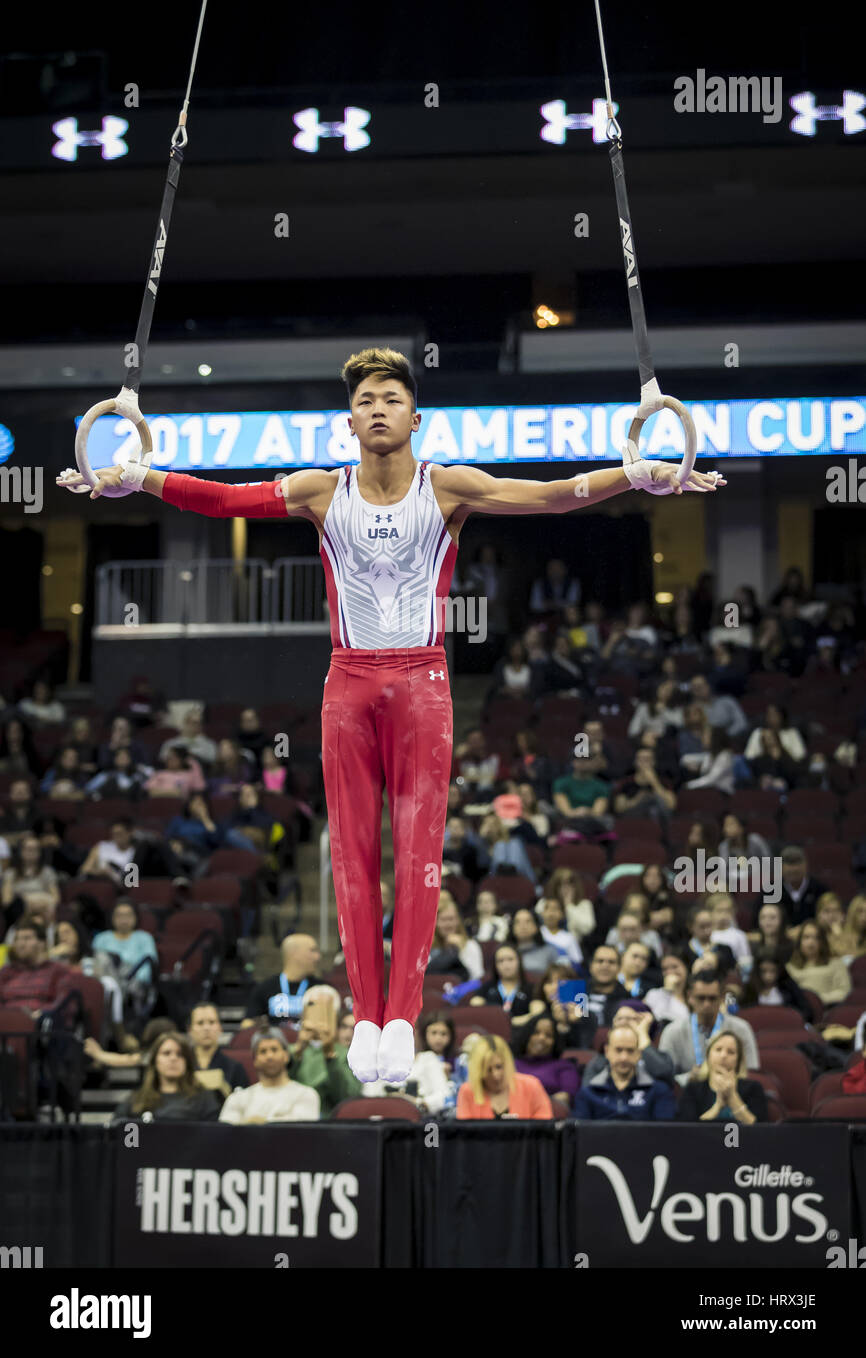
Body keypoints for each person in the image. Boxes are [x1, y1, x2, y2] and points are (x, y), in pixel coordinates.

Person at [59, 345, 724, 1087]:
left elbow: (551, 495)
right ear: (350, 421)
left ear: (416, 416)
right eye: (366, 400)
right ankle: (365, 1013)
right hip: (348, 683)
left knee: (416, 852)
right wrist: (136, 477)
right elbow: (224, 499)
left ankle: (401, 1014)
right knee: (351, 852)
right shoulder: (319, 491)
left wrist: (637, 474)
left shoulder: (449, 488)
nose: (377, 409)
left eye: (390, 398)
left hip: (422, 682)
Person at [658, 970, 760, 1086]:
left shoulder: (741, 1029)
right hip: (689, 1095)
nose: (707, 1004)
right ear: (689, 996)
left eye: (712, 998)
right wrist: (688, 1078)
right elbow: (664, 1078)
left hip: (733, 1091)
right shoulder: (673, 1031)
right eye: (701, 998)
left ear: (722, 997)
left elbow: (752, 1073)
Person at [571, 1024, 676, 1120]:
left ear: (639, 1054)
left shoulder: (659, 1092)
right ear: (607, 1051)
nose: (624, 1057)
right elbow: (581, 1136)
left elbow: (665, 1136)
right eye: (618, 1050)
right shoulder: (588, 1093)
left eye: (630, 1051)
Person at [112, 1032, 222, 1122]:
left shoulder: (204, 1099)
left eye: (179, 1054)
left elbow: (212, 1139)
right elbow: (124, 1140)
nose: (173, 1058)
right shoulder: (136, 1100)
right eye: (166, 1053)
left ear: (187, 1062)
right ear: (155, 1061)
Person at [219, 1028, 321, 1123]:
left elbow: (301, 1135)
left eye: (274, 1049)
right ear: (255, 1060)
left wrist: (255, 1123)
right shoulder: (238, 1098)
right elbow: (225, 1134)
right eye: (263, 1051)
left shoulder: (306, 1094)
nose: (269, 1056)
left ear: (286, 1056)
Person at [288, 993, 360, 1116]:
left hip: (328, 1118)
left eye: (325, 1009)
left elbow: (348, 1097)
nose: (318, 1016)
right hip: (291, 1114)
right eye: (312, 1007)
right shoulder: (290, 1051)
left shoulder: (344, 1054)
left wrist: (329, 1055)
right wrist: (298, 1052)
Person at [675, 1030, 768, 1123]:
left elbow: (760, 1129)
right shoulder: (693, 1089)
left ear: (738, 1060)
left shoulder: (754, 1088)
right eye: (718, 1049)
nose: (723, 1056)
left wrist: (732, 1097)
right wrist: (718, 1106)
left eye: (731, 1052)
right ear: (708, 1056)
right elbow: (688, 1130)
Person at [579, 999, 676, 1088]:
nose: (623, 1023)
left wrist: (642, 1035)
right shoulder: (601, 1060)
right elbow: (587, 1093)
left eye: (631, 1019)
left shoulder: (659, 1056)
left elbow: (664, 1073)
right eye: (619, 1019)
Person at [456, 1033, 554, 1119]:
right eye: (488, 1070)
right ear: (478, 1070)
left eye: (499, 1067)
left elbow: (545, 1132)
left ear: (508, 1063)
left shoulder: (532, 1086)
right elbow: (464, 1137)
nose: (495, 1075)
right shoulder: (467, 1091)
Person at [241, 933, 326, 1028]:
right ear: (294, 953)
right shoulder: (264, 988)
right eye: (313, 950)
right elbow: (246, 1025)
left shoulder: (323, 989)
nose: (318, 957)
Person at [0, 919, 76, 1016]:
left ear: (42, 943)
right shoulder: (6, 972)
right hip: (7, 1024)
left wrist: (42, 1014)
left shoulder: (57, 971)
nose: (20, 944)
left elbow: (64, 1005)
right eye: (16, 939)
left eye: (26, 938)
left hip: (41, 1026)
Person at [511, 1013, 581, 1109]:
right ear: (526, 1036)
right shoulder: (511, 1064)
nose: (541, 1038)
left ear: (555, 1041)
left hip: (548, 1118)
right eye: (536, 1033)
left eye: (548, 1035)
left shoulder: (564, 1067)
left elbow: (565, 1097)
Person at [750, 846, 826, 930]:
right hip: (779, 939)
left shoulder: (819, 889)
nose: (793, 868)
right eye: (788, 864)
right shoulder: (770, 890)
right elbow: (756, 922)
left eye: (797, 863)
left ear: (805, 865)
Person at [468, 944, 542, 1025]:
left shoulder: (532, 988)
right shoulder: (486, 987)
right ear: (495, 965)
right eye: (500, 961)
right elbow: (475, 1007)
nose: (506, 965)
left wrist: (510, 1022)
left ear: (519, 961)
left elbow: (536, 1013)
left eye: (510, 959)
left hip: (522, 1031)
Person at [93, 899, 158, 988]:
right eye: (119, 915)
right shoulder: (101, 938)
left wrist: (127, 983)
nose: (124, 919)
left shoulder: (145, 938)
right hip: (106, 985)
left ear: (136, 917)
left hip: (135, 987)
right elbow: (94, 965)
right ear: (112, 917)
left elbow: (148, 969)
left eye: (128, 915)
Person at [786, 921, 852, 1005]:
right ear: (799, 941)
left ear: (823, 942)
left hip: (829, 1009)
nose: (811, 942)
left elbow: (844, 992)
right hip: (799, 1012)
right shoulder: (790, 967)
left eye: (816, 938)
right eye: (806, 937)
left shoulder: (836, 964)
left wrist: (817, 999)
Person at [740, 947, 813, 1020]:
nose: (768, 976)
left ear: (779, 971)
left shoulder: (788, 986)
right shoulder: (750, 987)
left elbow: (806, 1012)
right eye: (764, 971)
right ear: (757, 971)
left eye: (772, 971)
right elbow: (744, 1012)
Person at [427, 902, 484, 981]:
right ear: (436, 922)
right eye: (443, 920)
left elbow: (477, 977)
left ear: (458, 921)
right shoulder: (428, 947)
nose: (447, 924)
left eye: (451, 919)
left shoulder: (470, 945)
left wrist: (459, 950)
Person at [536, 868, 596, 942]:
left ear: (575, 886)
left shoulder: (584, 904)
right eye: (561, 885)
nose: (565, 888)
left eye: (569, 884)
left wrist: (569, 906)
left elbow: (587, 929)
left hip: (575, 944)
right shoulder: (544, 903)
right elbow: (537, 924)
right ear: (555, 887)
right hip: (547, 943)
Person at [507, 908, 562, 979]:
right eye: (518, 922)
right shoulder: (505, 952)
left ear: (536, 926)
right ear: (512, 927)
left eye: (528, 921)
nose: (523, 926)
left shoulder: (549, 950)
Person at [583, 945, 630, 1025]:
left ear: (619, 968)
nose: (605, 966)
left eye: (611, 962)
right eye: (600, 961)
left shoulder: (626, 1001)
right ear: (590, 966)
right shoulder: (576, 992)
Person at [84, 747, 151, 801]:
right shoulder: (106, 775)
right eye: (121, 757)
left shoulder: (137, 775)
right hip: (111, 805)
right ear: (115, 760)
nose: (123, 760)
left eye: (126, 757)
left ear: (130, 760)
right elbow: (88, 789)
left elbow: (147, 788)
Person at [645, 952, 691, 1027]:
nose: (670, 972)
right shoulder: (654, 994)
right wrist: (667, 990)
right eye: (665, 969)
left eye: (675, 967)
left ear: (686, 967)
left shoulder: (693, 995)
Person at [538, 893, 582, 970]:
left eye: (555, 909)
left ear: (562, 914)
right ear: (541, 913)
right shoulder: (537, 933)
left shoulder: (569, 937)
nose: (551, 913)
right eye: (547, 908)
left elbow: (577, 962)